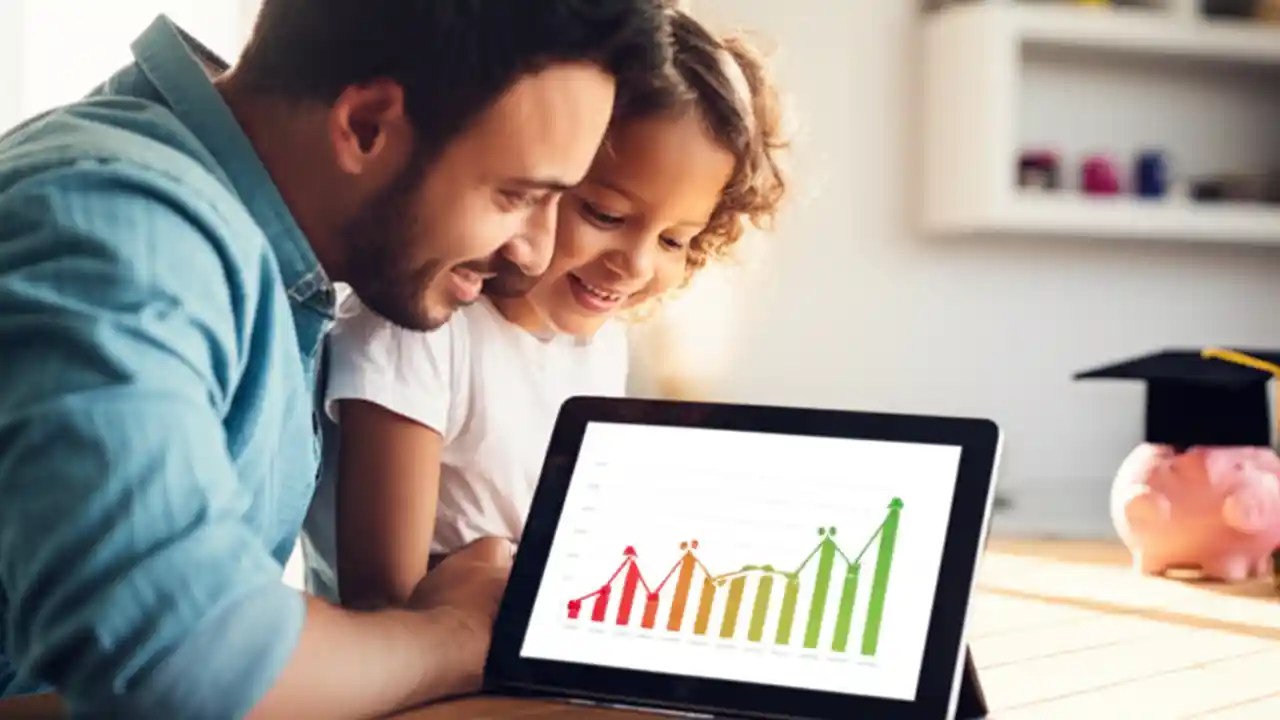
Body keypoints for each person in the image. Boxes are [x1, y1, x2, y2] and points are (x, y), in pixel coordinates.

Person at [0, 1, 675, 717]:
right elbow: (181, 665)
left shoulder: (245, 241)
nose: (531, 251)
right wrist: (452, 636)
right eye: (517, 196)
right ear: (364, 126)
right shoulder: (129, 237)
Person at [303, 10, 788, 610]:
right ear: (540, 182)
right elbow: (382, 603)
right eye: (605, 215)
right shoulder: (419, 327)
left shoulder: (595, 343)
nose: (635, 266)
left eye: (673, 240)